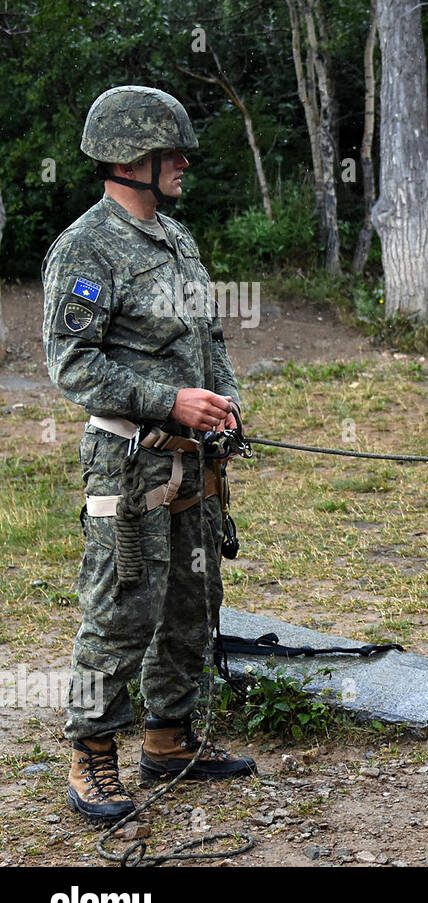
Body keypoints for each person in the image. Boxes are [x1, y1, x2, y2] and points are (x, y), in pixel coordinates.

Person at [44, 86, 256, 826]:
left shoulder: (178, 238)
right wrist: (170, 404)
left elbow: (210, 341)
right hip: (129, 463)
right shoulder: (86, 247)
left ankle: (168, 738)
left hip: (195, 463)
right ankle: (91, 752)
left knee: (191, 605)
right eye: (173, 152)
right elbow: (72, 365)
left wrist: (224, 407)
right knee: (122, 609)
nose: (185, 162)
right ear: (131, 159)